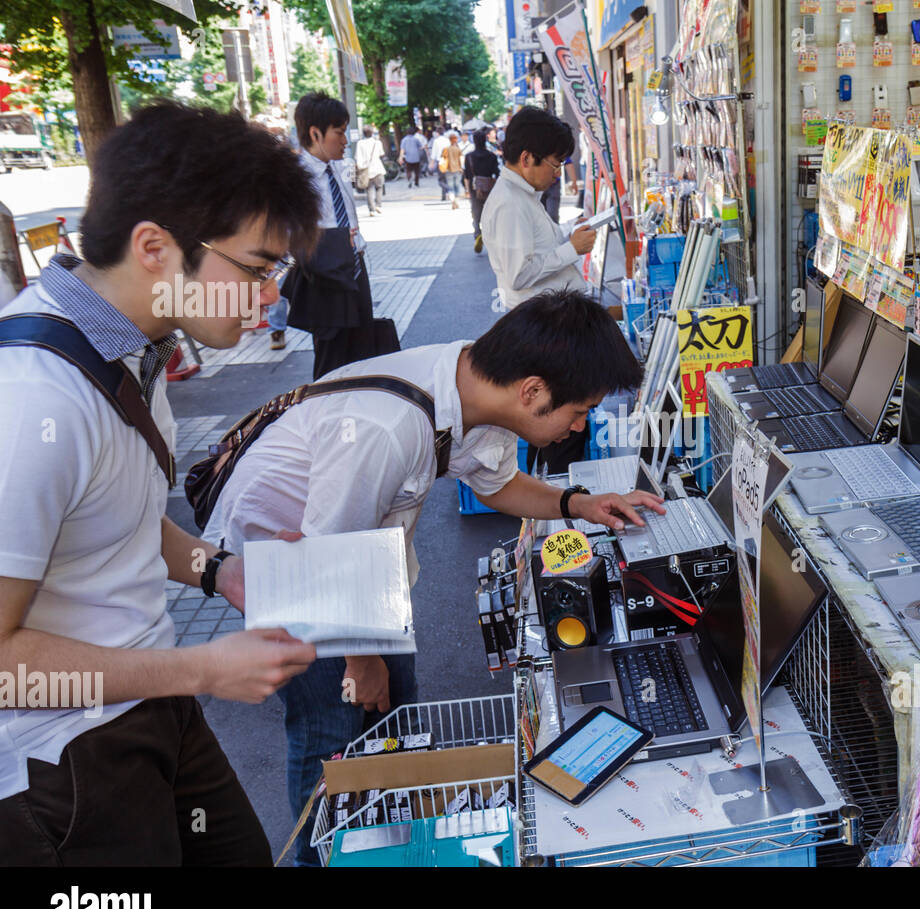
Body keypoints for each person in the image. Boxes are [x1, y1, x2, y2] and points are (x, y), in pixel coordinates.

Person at [203, 290, 662, 865]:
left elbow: (497, 484)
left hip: (362, 564)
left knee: (397, 716)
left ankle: (388, 843)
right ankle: (319, 856)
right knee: (332, 731)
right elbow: (326, 560)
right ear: (533, 392)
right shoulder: (388, 428)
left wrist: (582, 503)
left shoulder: (474, 385)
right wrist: (361, 662)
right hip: (291, 572)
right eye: (579, 410)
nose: (581, 424)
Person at [0, 102, 321, 865]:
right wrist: (200, 668)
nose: (270, 296)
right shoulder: (33, 399)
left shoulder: (133, 347)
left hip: (154, 705)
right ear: (154, 247)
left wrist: (218, 570)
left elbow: (113, 514)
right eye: (254, 267)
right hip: (62, 763)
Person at [480, 107, 600, 474]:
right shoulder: (510, 204)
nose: (557, 172)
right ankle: (560, 510)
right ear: (527, 157)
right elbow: (519, 274)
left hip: (551, 330)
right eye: (555, 163)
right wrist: (571, 249)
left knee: (558, 434)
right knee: (559, 431)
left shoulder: (523, 197)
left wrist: (566, 233)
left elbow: (535, 249)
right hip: (544, 335)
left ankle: (554, 507)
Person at [283, 93, 384, 380]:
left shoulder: (338, 167)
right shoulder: (296, 179)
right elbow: (289, 237)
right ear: (315, 133)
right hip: (326, 277)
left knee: (363, 352)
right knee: (333, 362)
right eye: (338, 133)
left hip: (354, 269)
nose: (345, 140)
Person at [463, 128, 499, 251]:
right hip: (489, 188)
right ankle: (489, 235)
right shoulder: (492, 156)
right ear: (485, 140)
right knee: (490, 213)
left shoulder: (469, 157)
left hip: (475, 188)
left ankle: (478, 233)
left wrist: (467, 190)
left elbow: (467, 176)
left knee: (476, 212)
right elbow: (496, 173)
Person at [354, 125, 387, 217]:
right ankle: (378, 205)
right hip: (377, 168)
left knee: (368, 190)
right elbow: (381, 154)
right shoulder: (377, 143)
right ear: (372, 133)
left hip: (366, 170)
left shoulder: (360, 143)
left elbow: (357, 157)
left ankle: (371, 210)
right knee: (379, 187)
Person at [437, 131, 464, 209]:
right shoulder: (458, 149)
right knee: (457, 187)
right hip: (458, 170)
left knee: (450, 187)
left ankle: (453, 201)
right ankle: (456, 201)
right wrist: (461, 168)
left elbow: (442, 160)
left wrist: (441, 168)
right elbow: (461, 160)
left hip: (448, 170)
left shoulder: (446, 149)